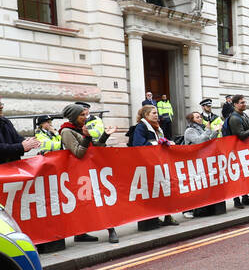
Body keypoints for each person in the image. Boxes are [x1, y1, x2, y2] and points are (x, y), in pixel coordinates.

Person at [59, 103, 118, 244]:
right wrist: (86, 137)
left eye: (85, 114)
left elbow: (94, 148)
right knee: (91, 201)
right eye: (82, 115)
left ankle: (109, 229)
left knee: (100, 199)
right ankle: (89, 232)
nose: (85, 117)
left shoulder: (80, 128)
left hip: (91, 170)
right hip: (79, 173)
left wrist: (105, 136)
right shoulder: (67, 131)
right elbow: (79, 153)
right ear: (74, 116)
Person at [129, 105, 179, 229]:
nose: (156, 115)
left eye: (156, 113)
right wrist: (157, 144)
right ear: (146, 115)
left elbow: (161, 140)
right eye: (153, 113)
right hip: (147, 165)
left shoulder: (157, 127)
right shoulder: (141, 127)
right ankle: (151, 220)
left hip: (159, 163)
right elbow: (138, 145)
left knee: (165, 190)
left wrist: (168, 142)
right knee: (152, 193)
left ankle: (167, 216)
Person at [225, 94, 249, 208]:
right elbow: (241, 135)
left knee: (245, 175)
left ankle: (245, 197)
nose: (244, 104)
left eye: (245, 102)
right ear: (235, 104)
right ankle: (237, 200)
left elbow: (247, 130)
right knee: (237, 176)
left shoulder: (243, 115)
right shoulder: (235, 118)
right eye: (242, 102)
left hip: (244, 150)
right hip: (235, 152)